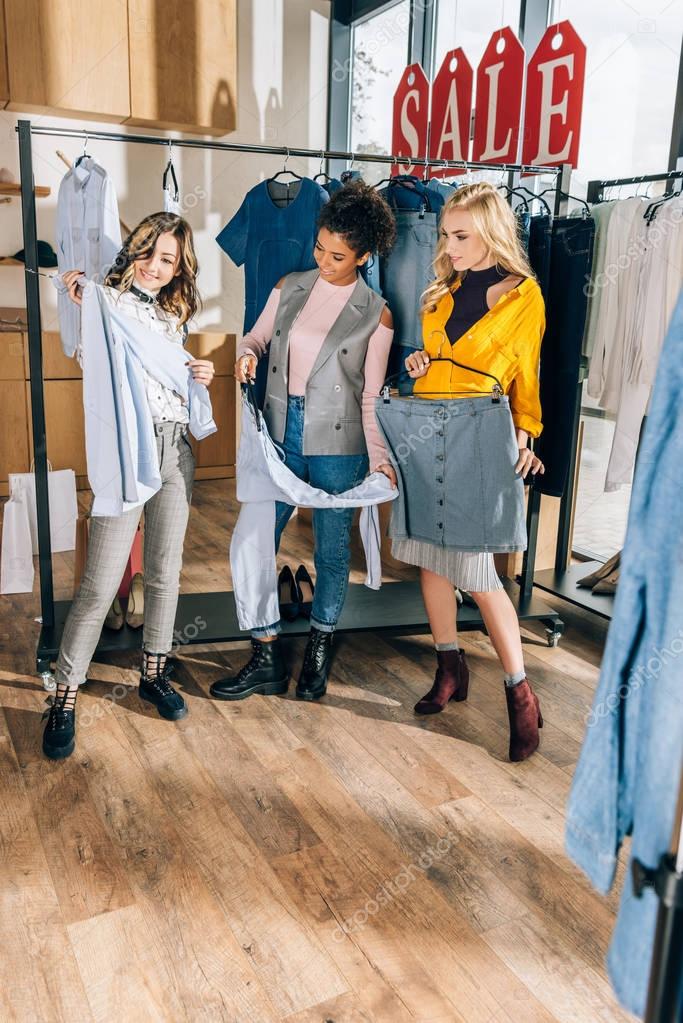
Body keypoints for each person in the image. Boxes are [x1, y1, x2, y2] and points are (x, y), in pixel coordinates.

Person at [210, 181, 397, 703]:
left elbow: (371, 397)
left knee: (332, 552)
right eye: (319, 247)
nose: (324, 259)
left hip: (339, 443)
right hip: (279, 434)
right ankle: (265, 652)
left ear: (363, 256)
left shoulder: (376, 312)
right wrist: (246, 354)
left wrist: (379, 461)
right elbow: (256, 337)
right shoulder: (288, 286)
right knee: (252, 539)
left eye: (338, 255)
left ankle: (320, 644)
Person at [42, 212, 215, 760]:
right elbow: (88, 358)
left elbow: (176, 377)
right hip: (126, 451)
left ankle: (153, 673)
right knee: (99, 583)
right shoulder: (103, 304)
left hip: (175, 451)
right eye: (149, 253)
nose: (156, 268)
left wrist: (201, 374)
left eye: (169, 261)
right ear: (134, 249)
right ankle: (64, 696)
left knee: (164, 573)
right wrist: (78, 299)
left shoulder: (170, 314)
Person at [400, 181, 546, 762]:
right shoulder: (439, 294)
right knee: (430, 559)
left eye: (461, 235)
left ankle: (520, 695)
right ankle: (450, 669)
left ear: (490, 232)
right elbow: (433, 366)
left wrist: (526, 435)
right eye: (445, 235)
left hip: (482, 439)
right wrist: (418, 363)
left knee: (477, 571)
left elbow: (526, 377)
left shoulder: (523, 295)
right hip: (426, 430)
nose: (450, 246)